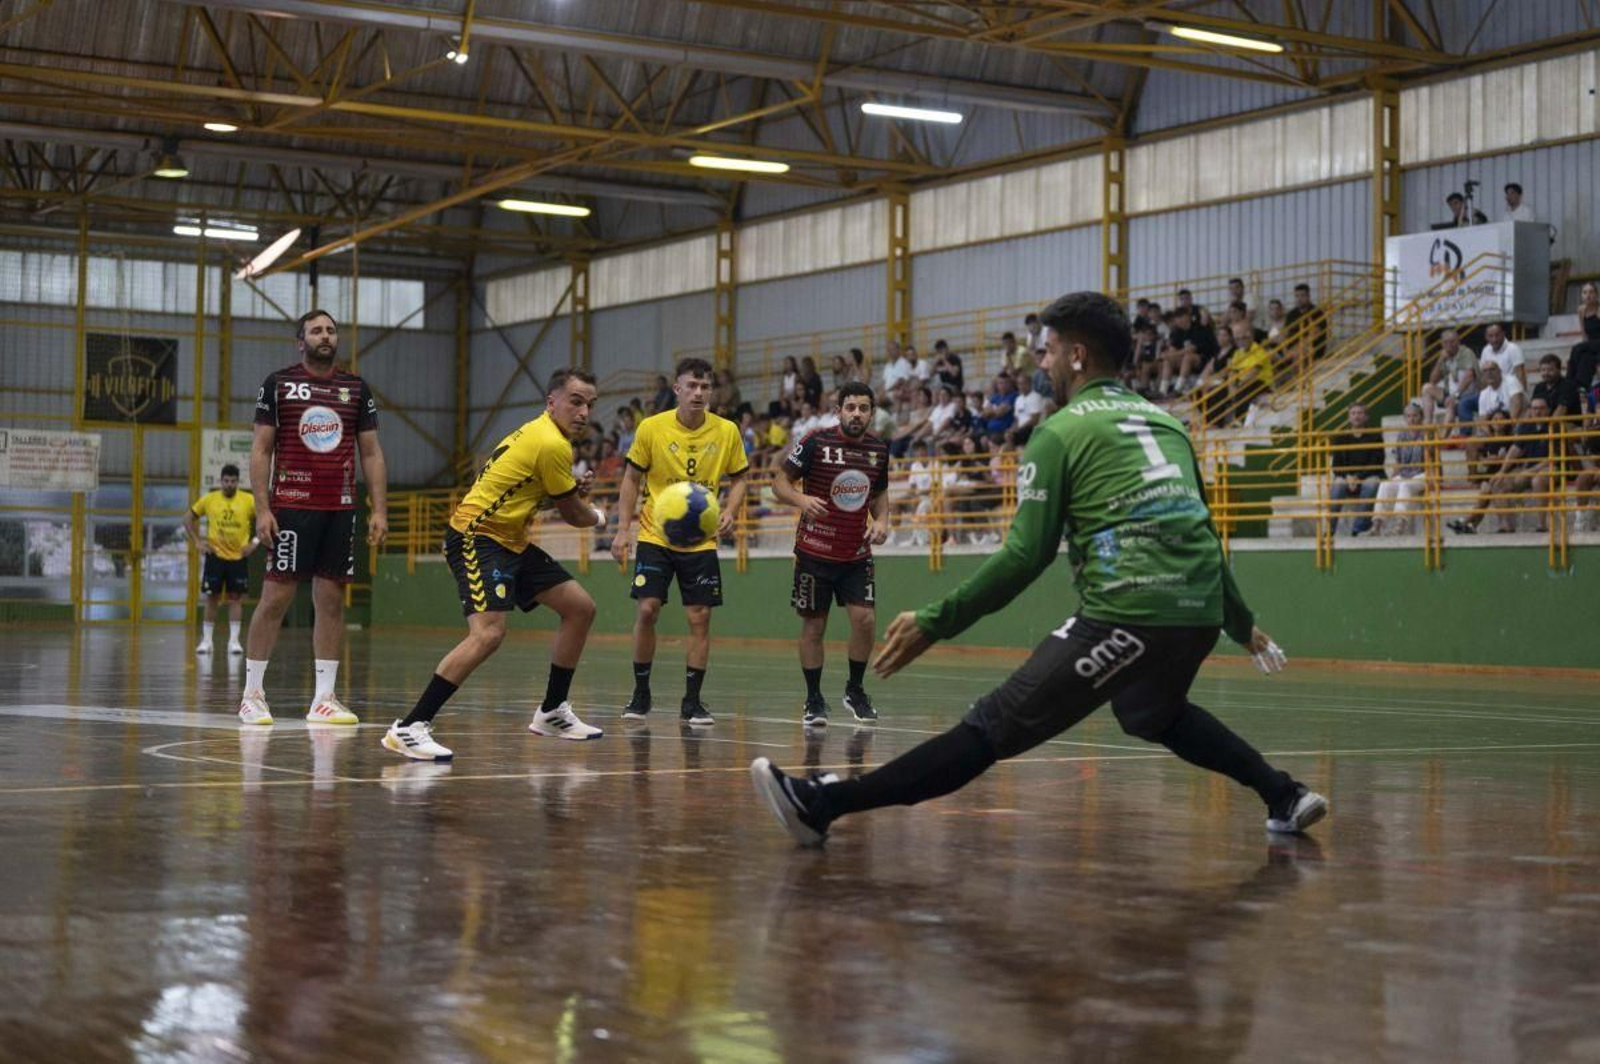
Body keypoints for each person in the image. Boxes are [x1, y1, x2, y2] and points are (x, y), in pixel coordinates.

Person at [750, 291, 1327, 847]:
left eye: (1047, 350)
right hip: (1197, 610)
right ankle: (1283, 794)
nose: (1040, 361)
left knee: (989, 727)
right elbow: (1198, 531)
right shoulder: (1167, 423)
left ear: (1077, 355)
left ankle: (822, 806)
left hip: (1128, 612)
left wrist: (937, 619)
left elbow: (1025, 557)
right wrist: (1238, 623)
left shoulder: (1059, 432)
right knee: (1150, 711)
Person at [385, 369, 608, 761]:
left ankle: (553, 712)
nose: (584, 412)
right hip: (477, 537)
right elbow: (574, 515)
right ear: (551, 401)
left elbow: (531, 496)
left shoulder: (542, 434)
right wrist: (598, 515)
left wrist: (569, 497)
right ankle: (410, 726)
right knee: (488, 634)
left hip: (510, 540)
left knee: (580, 608)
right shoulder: (551, 444)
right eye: (576, 400)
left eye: (590, 404)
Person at [239, 309, 386, 727]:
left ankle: (324, 698)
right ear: (300, 341)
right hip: (291, 507)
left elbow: (371, 453)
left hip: (339, 509)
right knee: (275, 599)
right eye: (316, 331)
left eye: (331, 330)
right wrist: (263, 508)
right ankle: (252, 695)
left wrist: (379, 508)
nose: (326, 336)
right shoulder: (279, 383)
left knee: (331, 601)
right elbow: (261, 450)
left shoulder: (355, 388)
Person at [611, 358, 751, 726]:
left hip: (700, 538)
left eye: (705, 387)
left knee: (700, 617)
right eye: (691, 386)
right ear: (677, 389)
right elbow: (630, 479)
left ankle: (692, 701)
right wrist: (623, 529)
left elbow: (739, 479)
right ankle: (641, 693)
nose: (699, 393)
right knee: (647, 610)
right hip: (656, 532)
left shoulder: (727, 431)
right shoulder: (651, 428)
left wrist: (731, 510)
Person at [770, 382, 890, 727]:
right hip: (814, 552)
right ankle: (814, 698)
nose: (857, 414)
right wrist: (801, 500)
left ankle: (855, 689)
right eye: (850, 407)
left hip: (855, 553)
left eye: (863, 408)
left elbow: (880, 492)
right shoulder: (815, 442)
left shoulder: (879, 450)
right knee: (814, 625)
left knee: (865, 620)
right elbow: (779, 482)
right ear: (838, 411)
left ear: (871, 412)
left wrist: (882, 520)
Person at [184, 463, 258, 656]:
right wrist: (198, 542)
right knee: (211, 598)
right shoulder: (209, 499)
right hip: (215, 556)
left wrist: (254, 543)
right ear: (221, 481)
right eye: (226, 481)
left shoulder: (249, 500)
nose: (229, 484)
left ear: (238, 482)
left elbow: (266, 520)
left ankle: (234, 642)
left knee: (235, 599)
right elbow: (187, 519)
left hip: (238, 557)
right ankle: (206, 641)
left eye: (233, 481)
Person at [1328, 403, 1384, 536]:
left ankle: (1357, 529)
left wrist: (1358, 477)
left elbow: (1376, 463)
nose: (1356, 416)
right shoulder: (1341, 437)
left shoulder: (1375, 436)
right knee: (1337, 484)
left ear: (1366, 417)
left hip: (1368, 476)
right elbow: (1336, 465)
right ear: (1349, 417)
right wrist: (1348, 477)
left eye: (1360, 413)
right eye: (1353, 413)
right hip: (1348, 478)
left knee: (1372, 484)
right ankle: (1329, 529)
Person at [1374, 404, 1428, 536]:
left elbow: (1433, 460)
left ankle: (1400, 525)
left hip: (1423, 473)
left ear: (1421, 417)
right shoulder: (1402, 435)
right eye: (1408, 416)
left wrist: (1435, 479)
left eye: (1415, 415)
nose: (1412, 419)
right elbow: (1399, 460)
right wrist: (1392, 477)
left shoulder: (1428, 433)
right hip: (1405, 472)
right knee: (1385, 485)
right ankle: (1377, 525)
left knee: (1405, 485)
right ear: (1405, 418)